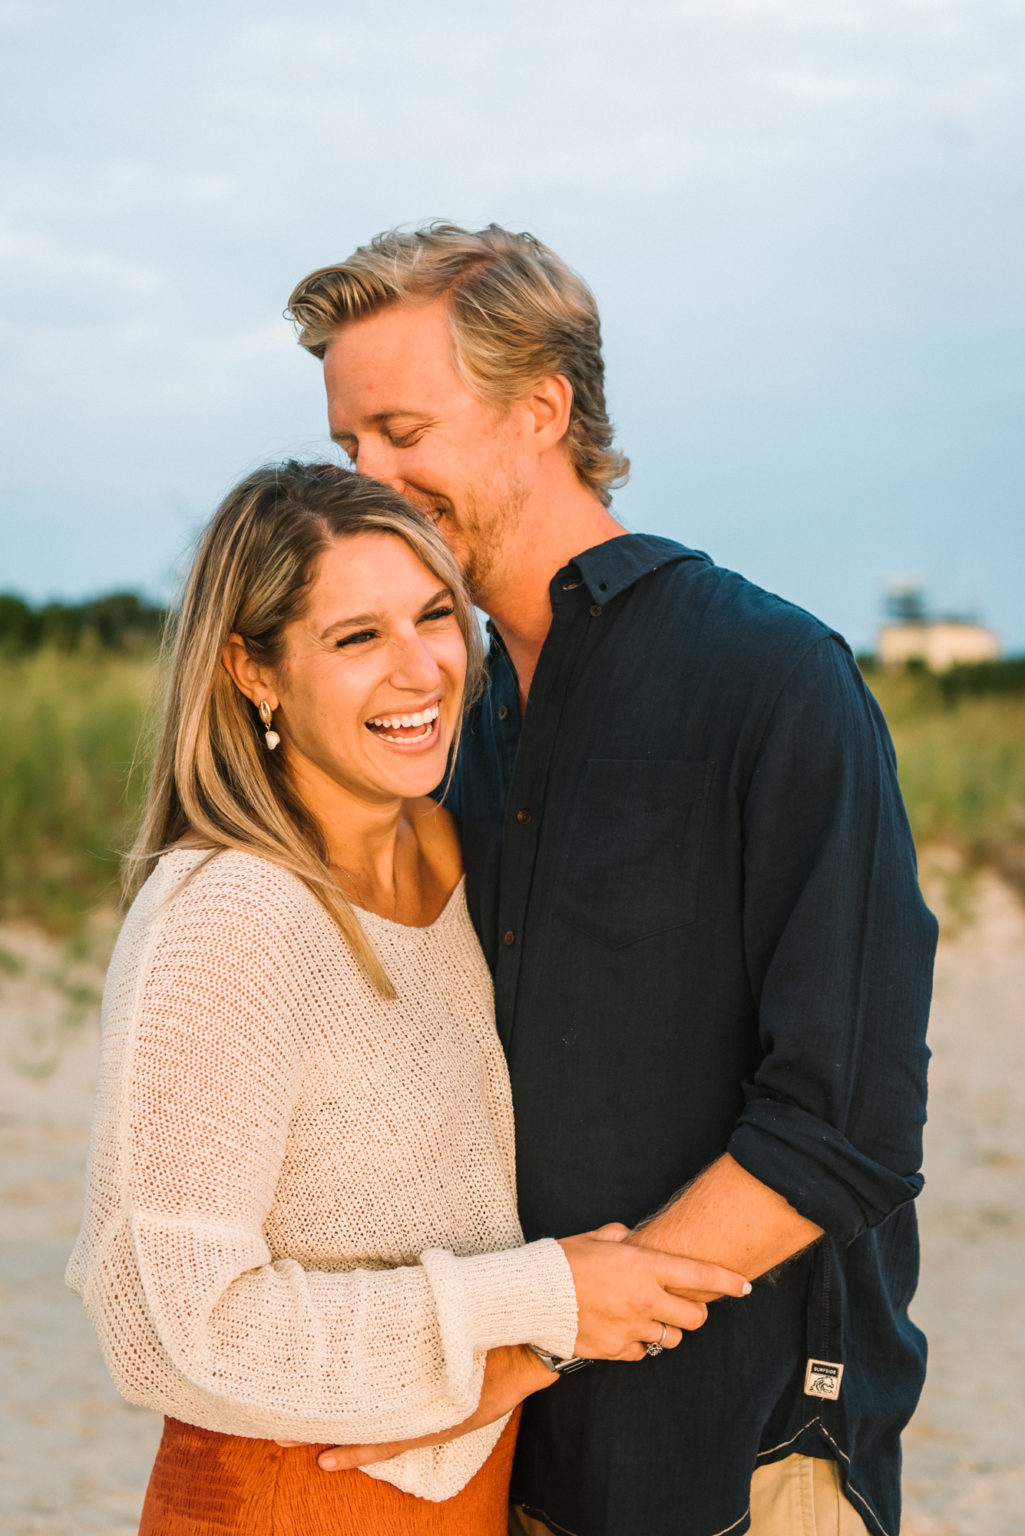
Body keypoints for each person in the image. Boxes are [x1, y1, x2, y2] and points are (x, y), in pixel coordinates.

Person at [285, 225, 937, 1536]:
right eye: (349, 449)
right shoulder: (447, 727)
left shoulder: (771, 679)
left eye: (402, 432)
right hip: (510, 1463)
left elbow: (844, 1119)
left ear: (542, 409)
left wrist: (555, 1336)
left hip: (749, 1459)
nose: (368, 483)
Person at [66, 462, 751, 1536]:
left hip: (468, 1492)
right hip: (285, 1497)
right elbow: (171, 1329)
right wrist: (539, 1296)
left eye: (436, 615)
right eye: (355, 639)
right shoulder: (229, 915)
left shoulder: (452, 848)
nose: (423, 668)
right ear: (253, 671)